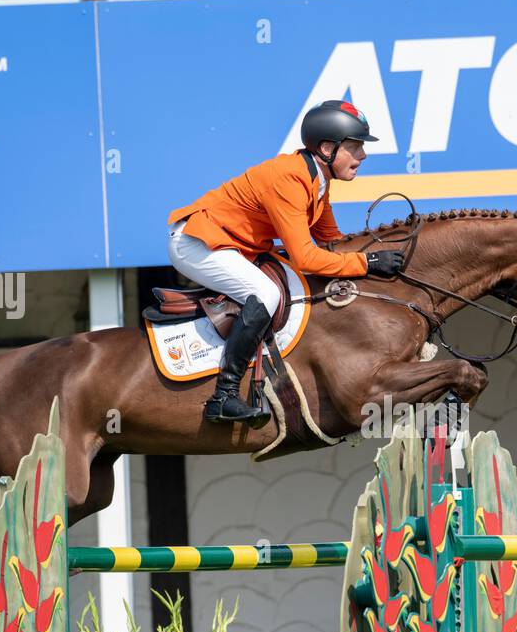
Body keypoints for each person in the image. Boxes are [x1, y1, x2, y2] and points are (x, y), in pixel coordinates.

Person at [166, 99, 405, 423]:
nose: (363, 155)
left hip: (233, 245)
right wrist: (367, 262)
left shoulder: (317, 180)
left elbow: (332, 242)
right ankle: (224, 395)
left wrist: (377, 255)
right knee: (266, 294)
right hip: (196, 243)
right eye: (355, 147)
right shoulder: (290, 178)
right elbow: (307, 258)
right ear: (326, 148)